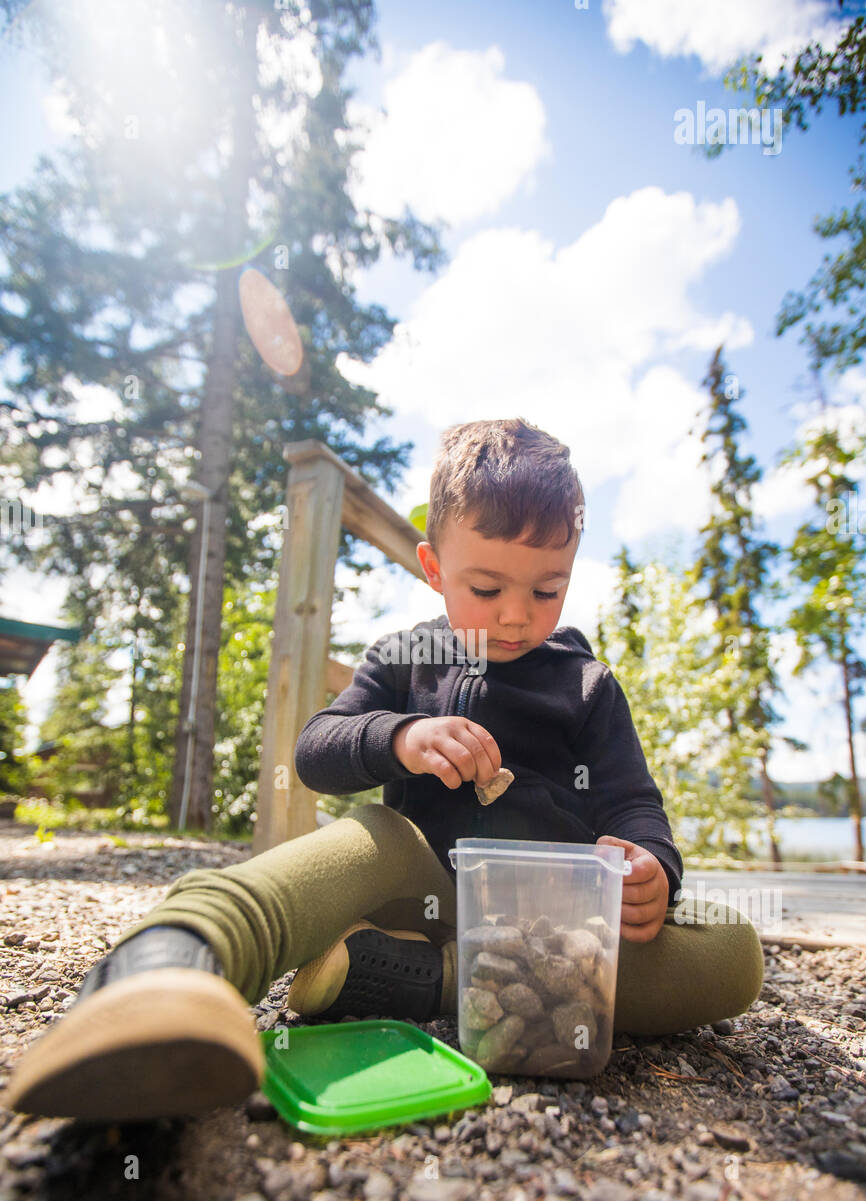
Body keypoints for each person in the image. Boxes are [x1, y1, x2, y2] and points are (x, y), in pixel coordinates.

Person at [3, 418, 763, 1121]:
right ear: (435, 569)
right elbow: (315, 752)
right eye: (486, 588)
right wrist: (398, 738)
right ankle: (168, 965)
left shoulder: (587, 687)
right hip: (419, 886)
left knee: (734, 951)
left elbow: (633, 804)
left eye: (547, 589)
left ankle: (421, 979)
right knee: (370, 830)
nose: (514, 616)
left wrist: (649, 865)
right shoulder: (406, 660)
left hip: (554, 931)